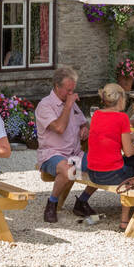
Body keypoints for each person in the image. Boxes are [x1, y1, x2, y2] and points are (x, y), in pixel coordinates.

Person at [35, 66, 97, 222]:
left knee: (105, 163)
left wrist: (84, 129)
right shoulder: (45, 105)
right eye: (68, 90)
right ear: (57, 86)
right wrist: (68, 105)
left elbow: (84, 123)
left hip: (75, 154)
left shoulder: (70, 102)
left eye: (73, 90)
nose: (71, 93)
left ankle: (82, 201)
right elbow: (59, 128)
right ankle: (52, 203)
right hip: (53, 155)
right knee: (69, 169)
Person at [81, 82, 134, 230]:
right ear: (121, 99)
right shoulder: (122, 118)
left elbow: (110, 138)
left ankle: (83, 199)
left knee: (130, 162)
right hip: (111, 175)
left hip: (93, 173)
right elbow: (129, 151)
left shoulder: (96, 115)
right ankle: (126, 219)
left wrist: (129, 136)